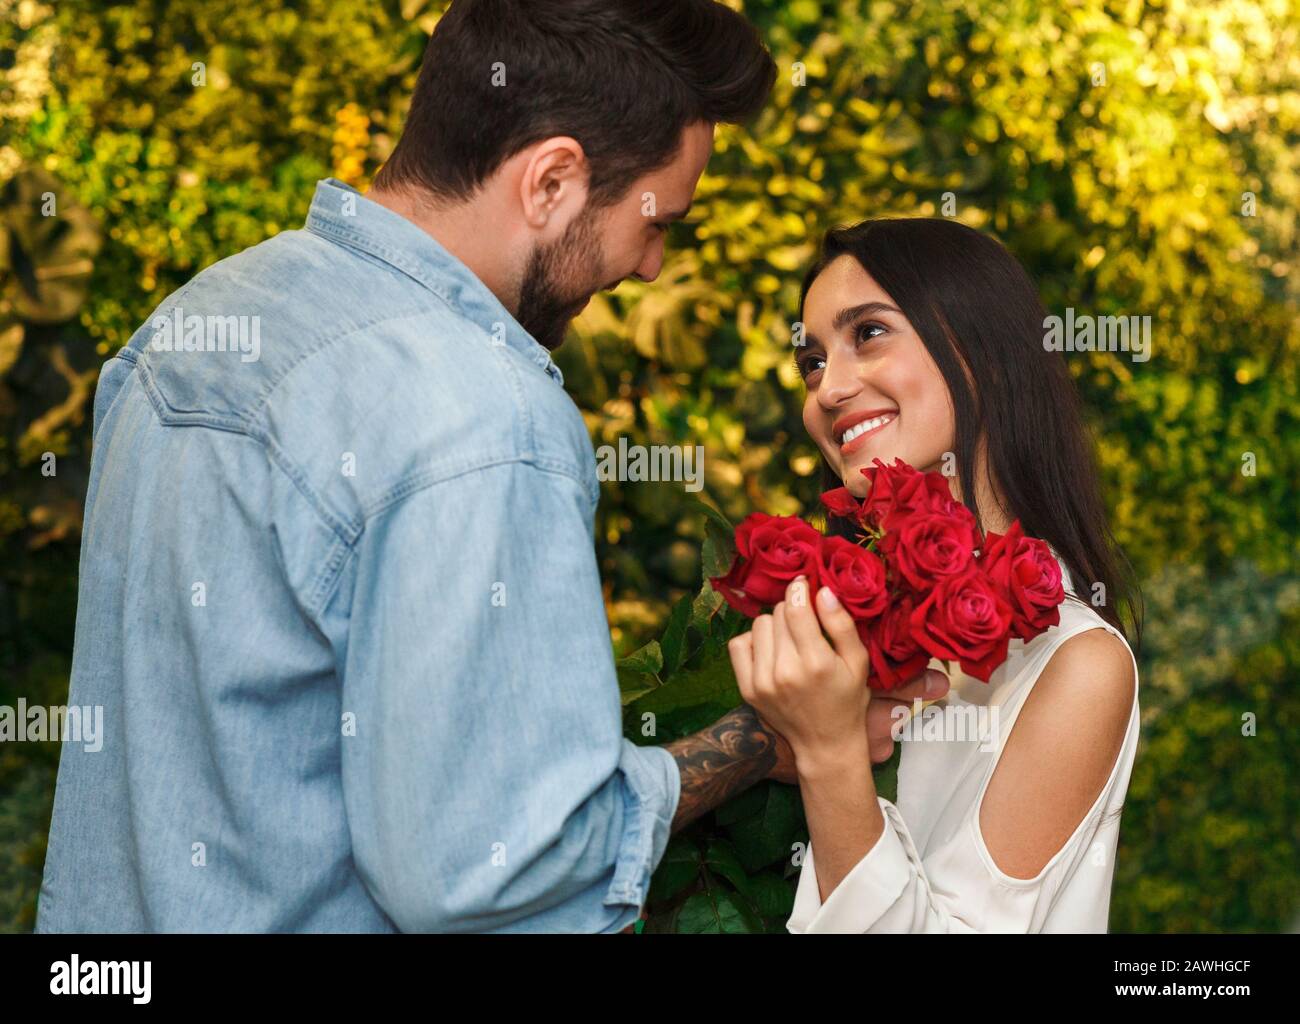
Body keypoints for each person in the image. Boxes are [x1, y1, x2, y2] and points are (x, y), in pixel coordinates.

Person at [37, 0, 822, 934]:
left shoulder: (192, 324)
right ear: (553, 181)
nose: (651, 266)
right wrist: (750, 745)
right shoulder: (481, 416)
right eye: (657, 220)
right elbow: (489, 869)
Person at [727, 218, 1143, 932]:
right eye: (813, 362)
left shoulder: (1079, 663)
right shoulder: (838, 641)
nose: (828, 389)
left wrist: (831, 757)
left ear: (980, 346)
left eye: (868, 334)